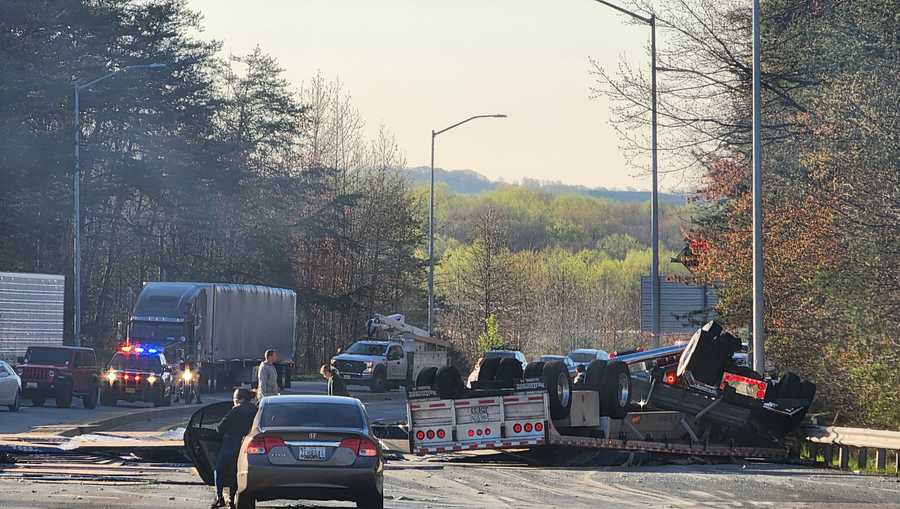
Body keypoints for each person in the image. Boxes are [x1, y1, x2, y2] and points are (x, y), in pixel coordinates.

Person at [211, 388, 257, 509]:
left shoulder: (236, 410)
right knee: (235, 472)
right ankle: (232, 499)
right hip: (246, 444)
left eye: (234, 398)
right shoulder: (255, 410)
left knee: (219, 469)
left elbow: (220, 427)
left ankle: (219, 497)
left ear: (239, 399)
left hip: (230, 442)